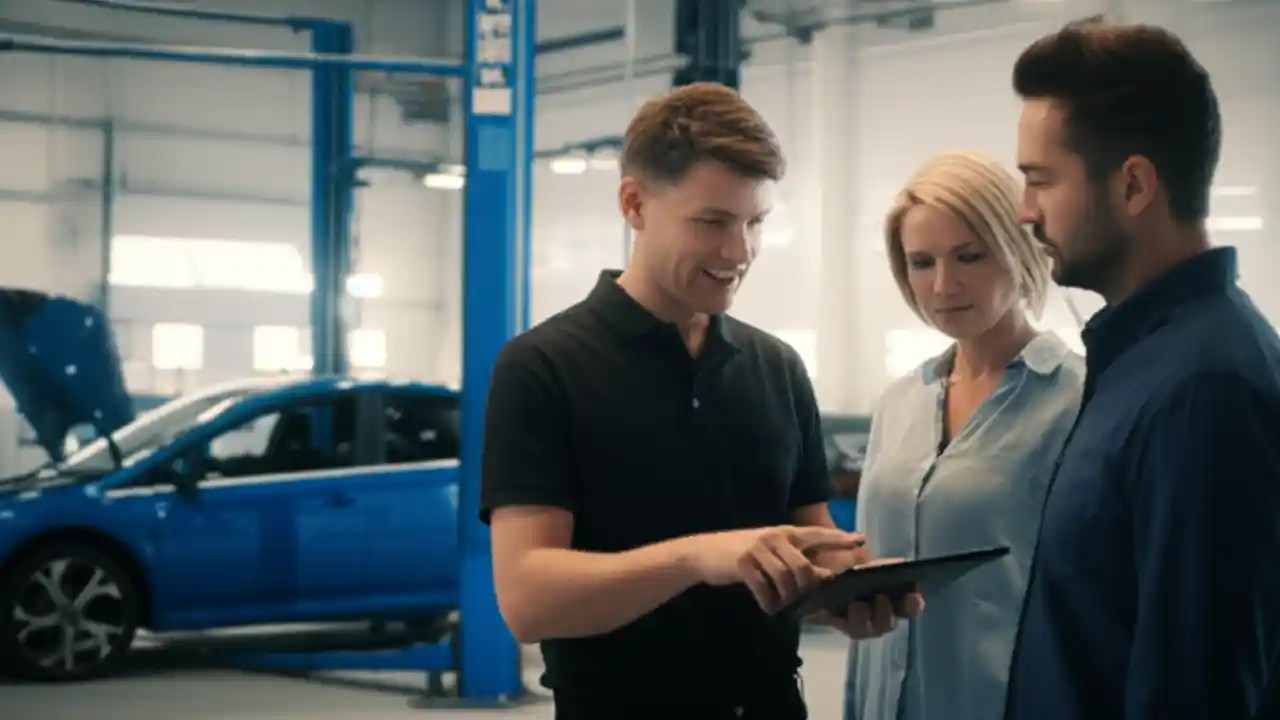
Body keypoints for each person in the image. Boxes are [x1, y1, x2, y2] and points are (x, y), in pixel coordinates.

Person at [479, 82, 924, 720]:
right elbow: (528, 600)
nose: (740, 252)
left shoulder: (776, 366)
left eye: (755, 224)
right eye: (712, 221)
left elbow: (810, 539)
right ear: (634, 204)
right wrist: (697, 558)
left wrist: (849, 589)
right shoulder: (544, 367)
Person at [1003, 19, 1280, 719]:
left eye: (1041, 181)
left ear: (1133, 185)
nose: (1024, 210)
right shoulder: (1144, 360)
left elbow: (1196, 690)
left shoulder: (1203, 390)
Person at [842, 150, 1085, 720]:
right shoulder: (901, 401)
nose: (944, 284)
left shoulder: (1077, 399)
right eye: (921, 262)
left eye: (969, 257)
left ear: (1016, 248)